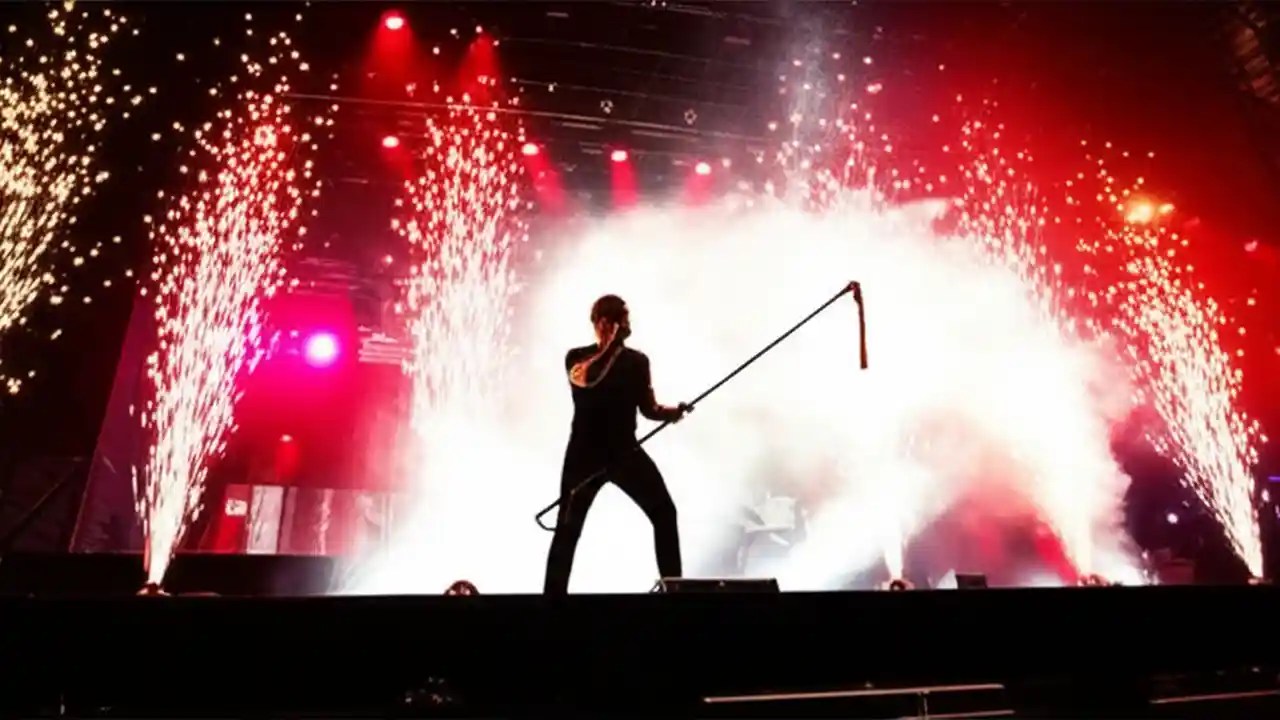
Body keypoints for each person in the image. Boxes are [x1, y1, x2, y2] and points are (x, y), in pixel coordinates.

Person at [543, 294, 691, 594]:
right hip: (584, 456)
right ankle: (552, 601)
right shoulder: (576, 358)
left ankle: (675, 592)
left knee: (664, 512)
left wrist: (672, 413)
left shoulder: (638, 361)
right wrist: (611, 344)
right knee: (567, 530)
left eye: (627, 321)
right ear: (602, 323)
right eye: (622, 321)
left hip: (625, 453)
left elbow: (648, 409)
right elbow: (590, 380)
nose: (628, 328)